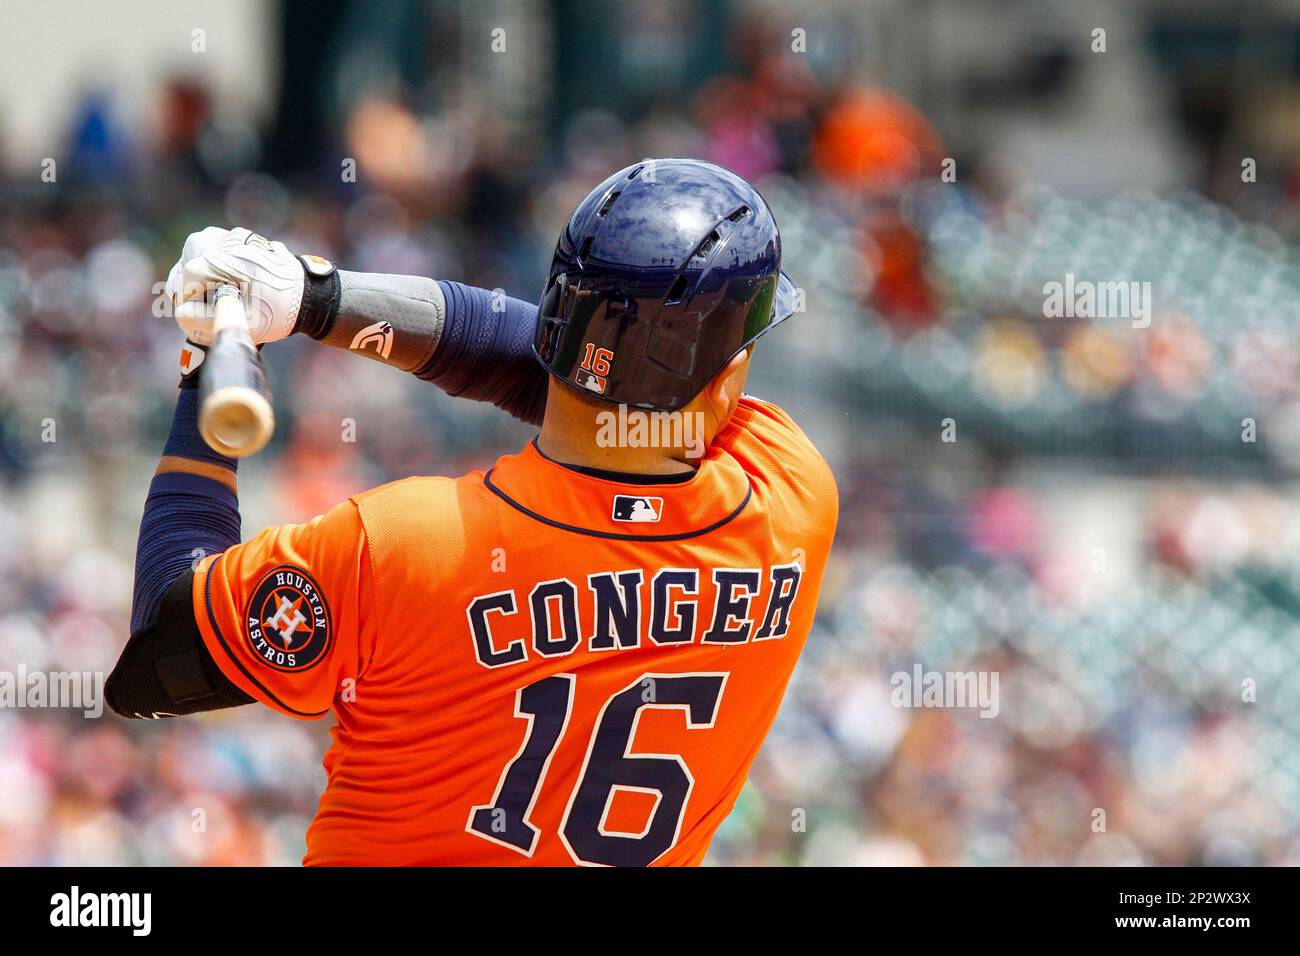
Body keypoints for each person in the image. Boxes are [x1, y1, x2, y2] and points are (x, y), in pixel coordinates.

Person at [107, 158, 838, 866]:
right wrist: (310, 298)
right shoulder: (790, 494)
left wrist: (210, 360)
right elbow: (609, 396)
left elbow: (161, 655)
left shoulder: (402, 544)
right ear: (720, 379)